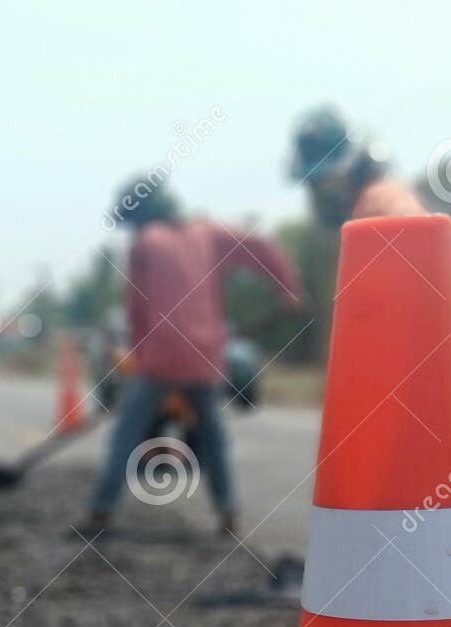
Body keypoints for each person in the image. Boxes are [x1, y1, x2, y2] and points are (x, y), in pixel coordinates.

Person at [79, 176, 303, 538]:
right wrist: (286, 286)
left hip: (160, 356)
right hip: (204, 355)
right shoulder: (208, 233)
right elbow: (259, 245)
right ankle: (228, 512)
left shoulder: (144, 244)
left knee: (127, 432)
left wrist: (139, 355)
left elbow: (136, 308)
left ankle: (100, 513)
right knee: (213, 436)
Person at [290, 105, 427, 226]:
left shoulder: (383, 203)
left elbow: (418, 236)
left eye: (329, 181)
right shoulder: (353, 215)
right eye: (316, 182)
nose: (322, 192)